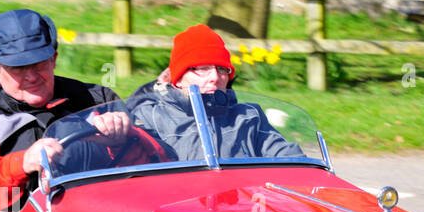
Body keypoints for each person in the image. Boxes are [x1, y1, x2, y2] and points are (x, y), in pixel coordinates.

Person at [0, 8, 129, 212]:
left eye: (39, 63)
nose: (32, 76)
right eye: (18, 68)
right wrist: (21, 164)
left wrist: (123, 141)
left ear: (54, 59)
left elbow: (157, 173)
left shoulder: (98, 100)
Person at [127, 24, 305, 162]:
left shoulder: (249, 117)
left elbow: (287, 158)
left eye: (221, 69)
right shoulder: (147, 117)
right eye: (202, 68)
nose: (214, 77)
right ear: (179, 79)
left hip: (239, 206)